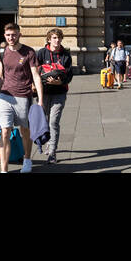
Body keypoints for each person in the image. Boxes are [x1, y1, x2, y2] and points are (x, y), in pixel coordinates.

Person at [0, 22, 44, 173]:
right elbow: (0, 76)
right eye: (8, 35)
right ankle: (4, 170)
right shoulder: (2, 53)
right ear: (4, 35)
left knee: (25, 131)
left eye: (14, 34)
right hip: (5, 96)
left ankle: (27, 159)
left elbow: (36, 76)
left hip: (23, 96)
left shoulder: (29, 52)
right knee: (5, 131)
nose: (11, 37)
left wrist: (40, 100)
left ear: (19, 35)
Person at [36, 28, 74, 164]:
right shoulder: (41, 53)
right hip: (44, 93)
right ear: (49, 39)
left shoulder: (66, 55)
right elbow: (34, 71)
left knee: (53, 122)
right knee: (45, 121)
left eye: (58, 38)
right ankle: (48, 142)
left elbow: (69, 75)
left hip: (59, 93)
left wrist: (60, 82)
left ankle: (52, 152)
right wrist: (34, 85)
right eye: (54, 38)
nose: (57, 40)